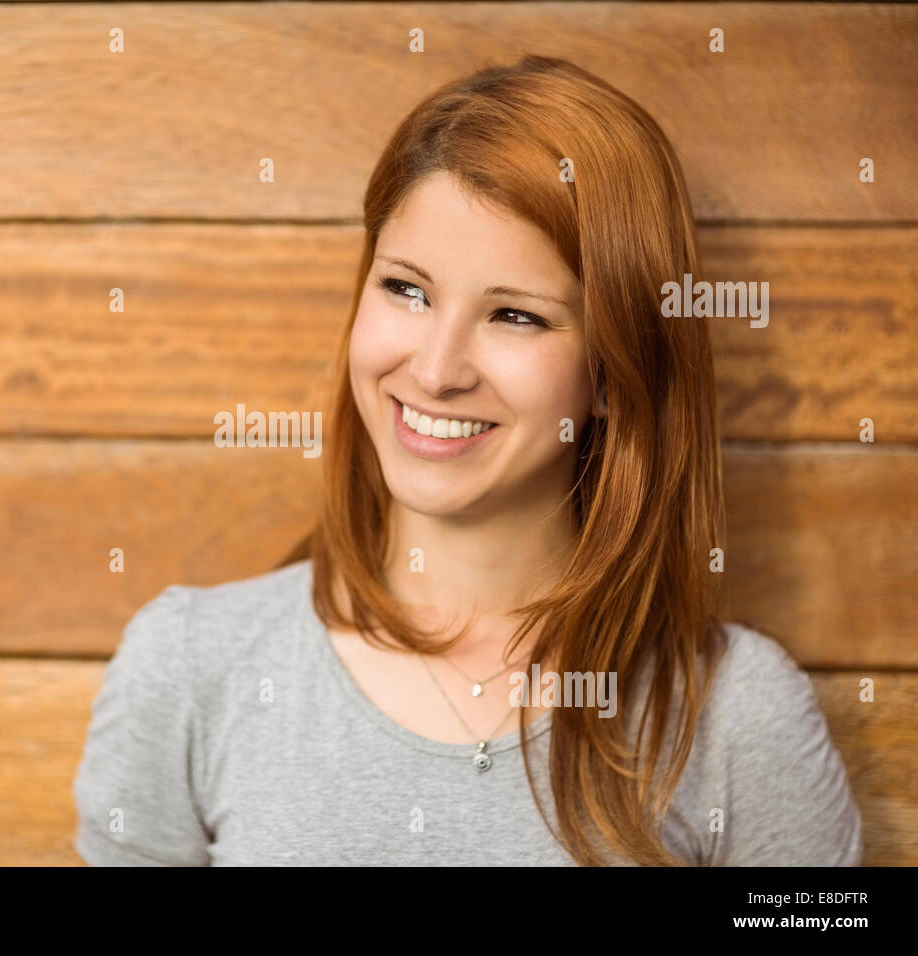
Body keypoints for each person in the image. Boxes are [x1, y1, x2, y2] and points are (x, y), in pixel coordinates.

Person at [72, 55, 864, 866]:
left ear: (612, 374)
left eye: (515, 315)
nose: (436, 369)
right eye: (407, 290)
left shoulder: (737, 721)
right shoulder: (188, 667)